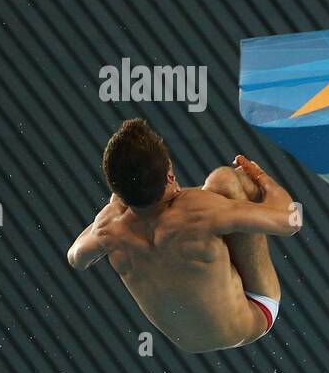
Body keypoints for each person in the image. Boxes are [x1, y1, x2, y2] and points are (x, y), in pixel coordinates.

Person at [67, 118, 301, 352]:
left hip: (187, 342)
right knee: (225, 180)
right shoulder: (199, 210)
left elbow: (76, 259)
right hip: (255, 315)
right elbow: (291, 221)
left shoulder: (108, 229)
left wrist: (113, 209)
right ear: (169, 176)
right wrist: (260, 177)